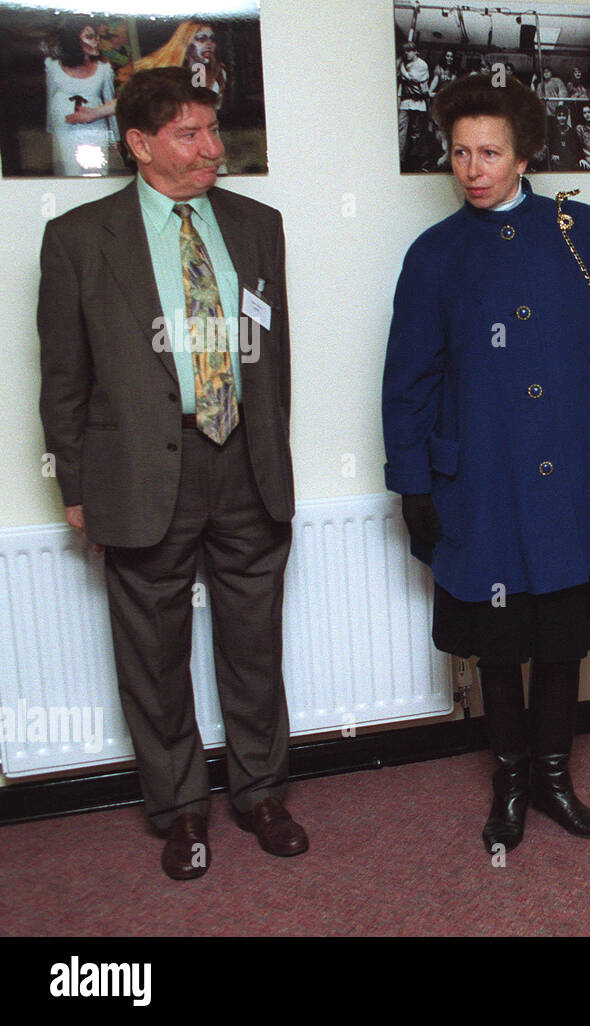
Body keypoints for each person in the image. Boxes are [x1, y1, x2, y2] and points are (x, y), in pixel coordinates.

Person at [382, 74, 590, 853]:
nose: (473, 168)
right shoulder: (434, 254)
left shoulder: (579, 231)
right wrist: (412, 482)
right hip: (480, 484)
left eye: (490, 152)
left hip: (574, 482)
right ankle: (509, 784)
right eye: (459, 153)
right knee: (499, 643)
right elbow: (406, 381)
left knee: (562, 636)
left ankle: (554, 778)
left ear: (523, 156)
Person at [37, 67, 305, 880]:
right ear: (141, 144)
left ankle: (260, 792)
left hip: (245, 463)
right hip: (141, 473)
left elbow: (275, 357)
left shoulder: (259, 225)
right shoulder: (81, 239)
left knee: (254, 644)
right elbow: (63, 378)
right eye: (191, 135)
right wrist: (76, 487)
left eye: (215, 132)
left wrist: (271, 448)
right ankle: (180, 807)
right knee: (153, 654)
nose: (212, 150)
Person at [45, 19, 117, 176]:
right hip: (64, 130)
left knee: (96, 173)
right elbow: (49, 100)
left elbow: (110, 102)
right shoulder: (52, 67)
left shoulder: (104, 70)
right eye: (90, 37)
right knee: (70, 173)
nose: (96, 41)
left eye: (97, 37)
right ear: (74, 40)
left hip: (95, 130)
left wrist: (116, 138)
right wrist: (50, 133)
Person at [126, 20, 227, 99]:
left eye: (212, 39)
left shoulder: (218, 72)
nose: (209, 44)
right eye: (201, 39)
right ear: (186, 43)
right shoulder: (166, 75)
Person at [396, 42, 431, 170]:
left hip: (418, 102)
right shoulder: (404, 63)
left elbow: (410, 78)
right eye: (405, 51)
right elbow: (402, 81)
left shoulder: (422, 65)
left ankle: (414, 160)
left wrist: (401, 68)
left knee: (416, 133)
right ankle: (401, 158)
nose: (407, 53)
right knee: (401, 128)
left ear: (415, 51)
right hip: (406, 101)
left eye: (409, 51)